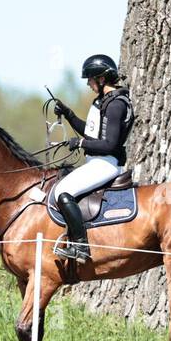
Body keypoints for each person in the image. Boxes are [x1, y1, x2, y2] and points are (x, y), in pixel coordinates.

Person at [50, 53, 135, 261]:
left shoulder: (116, 105)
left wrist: (80, 144)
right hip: (97, 161)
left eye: (90, 79)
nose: (88, 84)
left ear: (101, 78)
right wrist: (69, 114)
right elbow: (90, 133)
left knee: (63, 191)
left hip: (106, 164)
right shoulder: (103, 101)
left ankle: (81, 246)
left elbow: (109, 144)